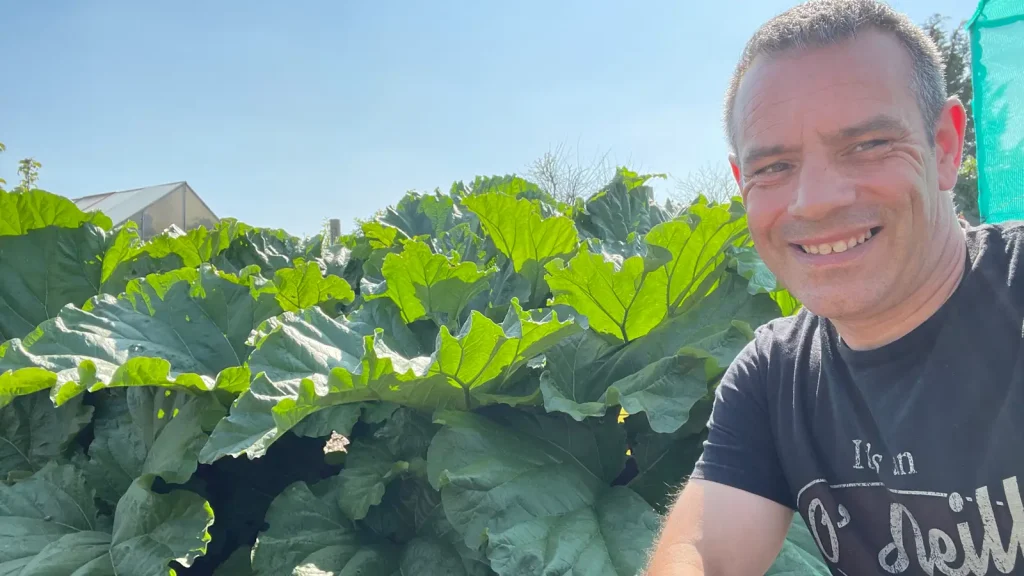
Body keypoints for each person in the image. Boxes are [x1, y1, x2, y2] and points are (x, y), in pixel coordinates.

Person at [643, 0, 1024, 574]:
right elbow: (704, 553)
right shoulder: (773, 378)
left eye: (868, 145)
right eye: (774, 167)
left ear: (944, 147)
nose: (815, 200)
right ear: (742, 184)